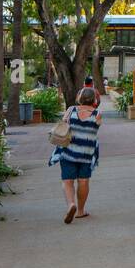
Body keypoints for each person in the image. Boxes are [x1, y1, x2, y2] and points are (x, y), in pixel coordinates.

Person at [49, 87, 101, 223]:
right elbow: (97, 127)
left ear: (79, 98)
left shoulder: (71, 110)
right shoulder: (97, 114)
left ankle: (71, 204)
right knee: (83, 181)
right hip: (87, 154)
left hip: (68, 152)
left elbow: (63, 124)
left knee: (67, 181)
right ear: (94, 100)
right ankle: (80, 211)